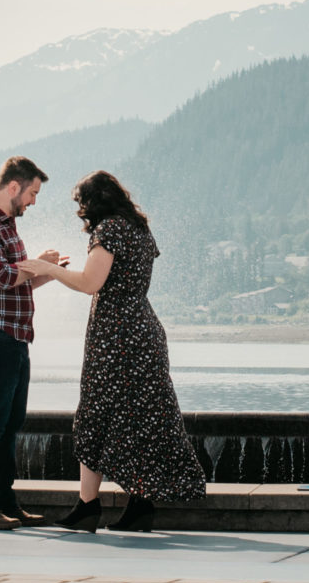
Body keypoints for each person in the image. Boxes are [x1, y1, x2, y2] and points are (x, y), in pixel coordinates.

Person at [18, 170, 206, 533]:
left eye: (81, 205)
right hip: (144, 331)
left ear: (93, 203)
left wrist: (47, 269)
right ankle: (140, 505)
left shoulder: (109, 231)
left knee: (95, 414)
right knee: (142, 417)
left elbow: (91, 283)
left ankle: (88, 506)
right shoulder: (139, 230)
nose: (81, 213)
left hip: (115, 336)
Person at [0, 155, 69, 531]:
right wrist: (37, 264)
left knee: (9, 424)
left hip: (13, 337)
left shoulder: (6, 229)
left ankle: (4, 503)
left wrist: (48, 273)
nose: (33, 202)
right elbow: (0, 277)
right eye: (32, 193)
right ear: (13, 187)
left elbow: (17, 281)